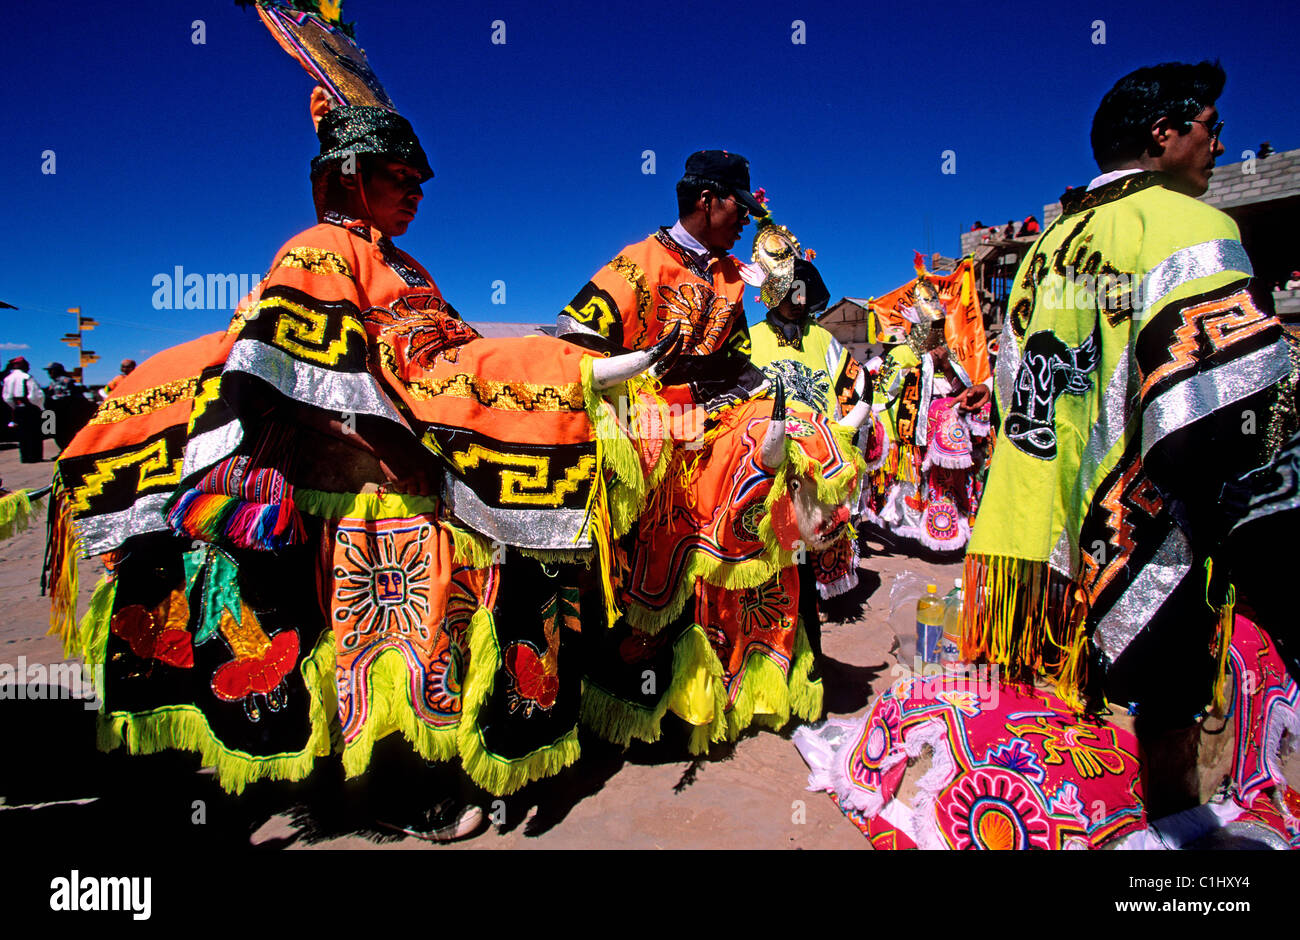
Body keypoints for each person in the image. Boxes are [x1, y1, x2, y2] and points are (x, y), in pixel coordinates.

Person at [963, 60, 1295, 823]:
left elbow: (1013, 384)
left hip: (1029, 521)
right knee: (1165, 712)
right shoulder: (1188, 225)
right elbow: (1218, 408)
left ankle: (1054, 819)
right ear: (1164, 132)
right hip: (1140, 531)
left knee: (1055, 712)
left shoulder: (1047, 246)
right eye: (1211, 128)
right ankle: (1167, 840)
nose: (1218, 146)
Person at [556, 149, 768, 414]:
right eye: (742, 208)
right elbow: (572, 335)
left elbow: (736, 358)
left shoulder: (731, 278)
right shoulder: (639, 263)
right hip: (635, 419)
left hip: (711, 415)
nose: (746, 221)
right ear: (707, 200)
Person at [747, 246, 870, 660]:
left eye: (803, 292)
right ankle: (764, 660)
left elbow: (856, 390)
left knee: (803, 572)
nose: (798, 301)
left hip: (817, 475)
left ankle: (809, 660)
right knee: (765, 570)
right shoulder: (749, 340)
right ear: (772, 293)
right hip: (767, 474)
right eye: (789, 292)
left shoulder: (824, 341)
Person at [2, 357, 45, 462]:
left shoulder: (8, 379)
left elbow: (6, 397)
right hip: (30, 407)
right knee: (34, 432)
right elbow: (35, 395)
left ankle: (25, 456)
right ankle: (35, 456)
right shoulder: (27, 377)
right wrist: (39, 407)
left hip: (17, 408)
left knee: (22, 433)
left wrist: (14, 407)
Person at [43, 362, 92, 452]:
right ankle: (64, 450)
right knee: (58, 434)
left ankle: (69, 451)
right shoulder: (53, 382)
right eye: (48, 371)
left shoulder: (66, 381)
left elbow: (64, 397)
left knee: (66, 433)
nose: (49, 373)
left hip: (65, 412)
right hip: (57, 412)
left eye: (51, 371)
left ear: (57, 371)